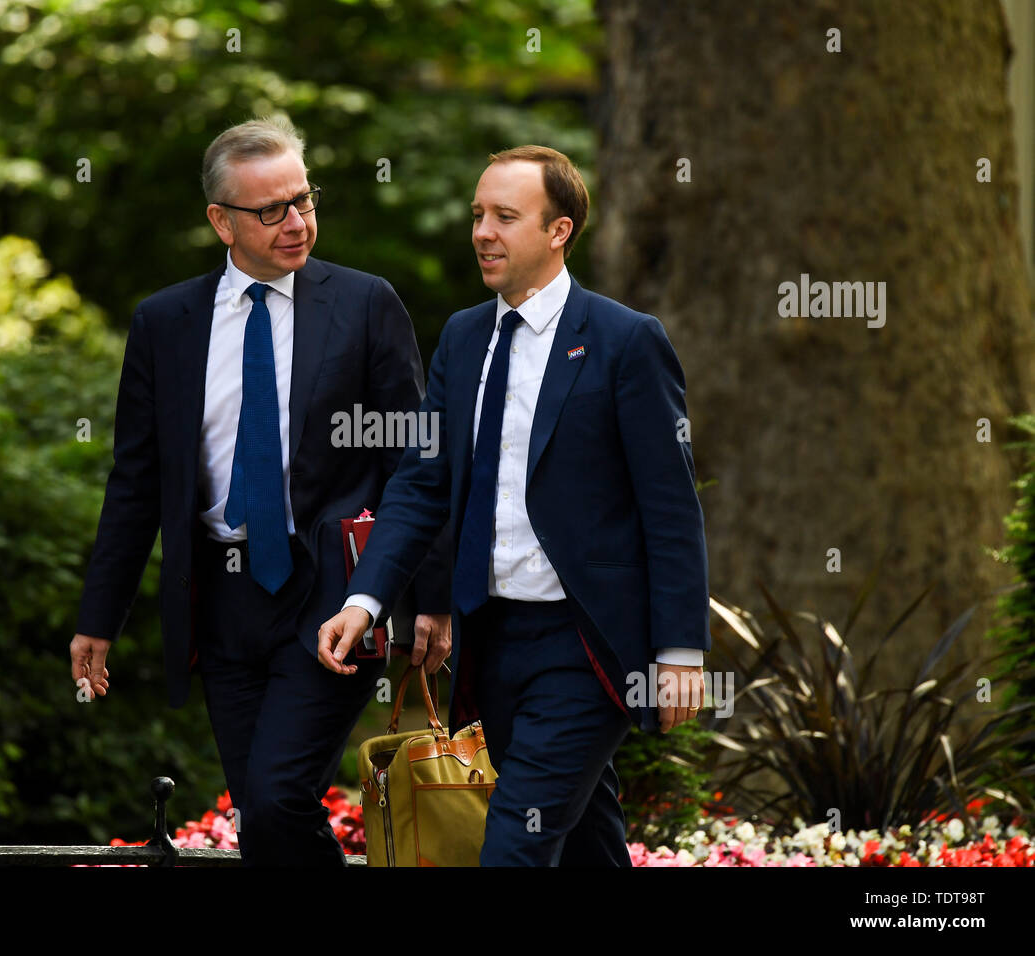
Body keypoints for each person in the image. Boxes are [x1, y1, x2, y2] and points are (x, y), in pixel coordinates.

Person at [70, 116, 451, 866]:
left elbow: (417, 458)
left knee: (277, 801)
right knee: (267, 819)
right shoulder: (165, 324)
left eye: (304, 200)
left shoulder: (365, 304)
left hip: (335, 596)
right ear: (221, 221)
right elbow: (137, 482)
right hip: (222, 600)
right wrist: (99, 617)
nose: (296, 222)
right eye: (270, 209)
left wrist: (425, 598)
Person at [318, 145, 710, 866]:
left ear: (558, 231)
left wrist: (681, 650)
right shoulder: (464, 339)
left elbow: (671, 507)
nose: (482, 232)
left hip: (586, 647)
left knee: (512, 849)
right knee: (588, 839)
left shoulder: (626, 342)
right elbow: (421, 484)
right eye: (477, 215)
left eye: (505, 216)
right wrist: (365, 600)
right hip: (490, 642)